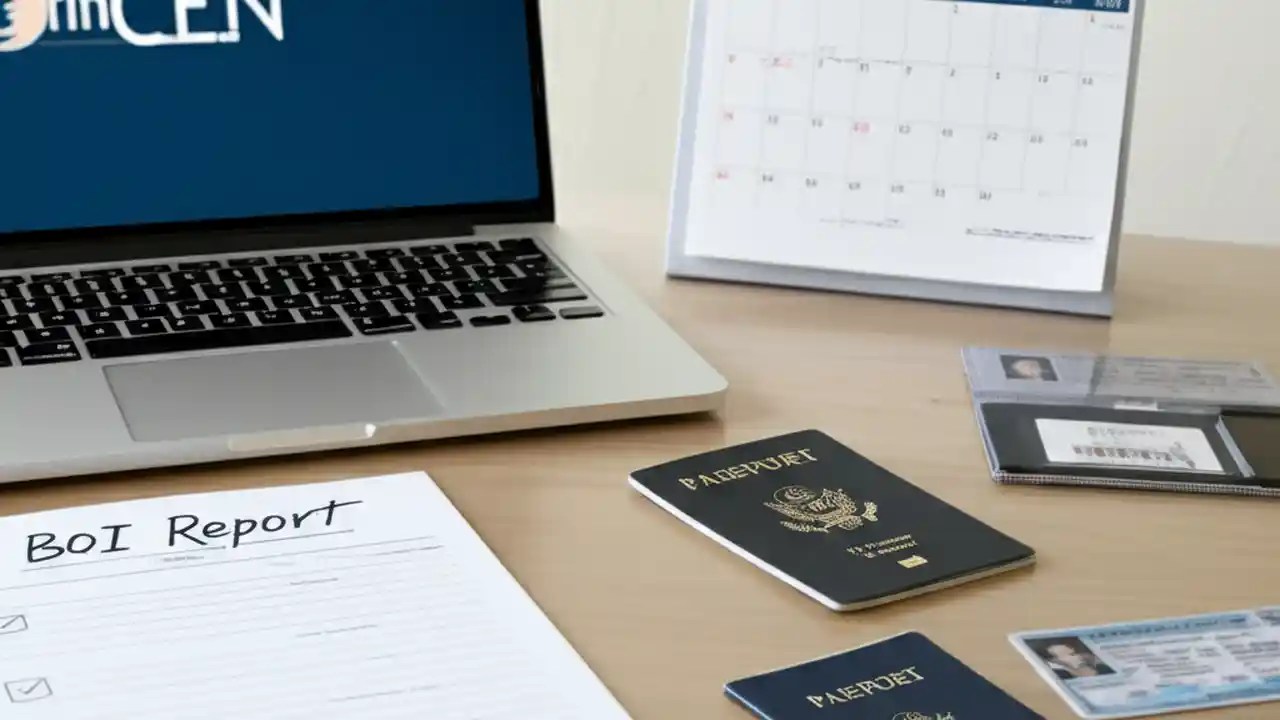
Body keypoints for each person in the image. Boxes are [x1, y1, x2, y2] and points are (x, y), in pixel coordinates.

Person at [1042, 641, 1114, 680]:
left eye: (1075, 653)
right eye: (1071, 655)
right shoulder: (1062, 677)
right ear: (1055, 661)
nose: (1078, 656)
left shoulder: (1105, 669)